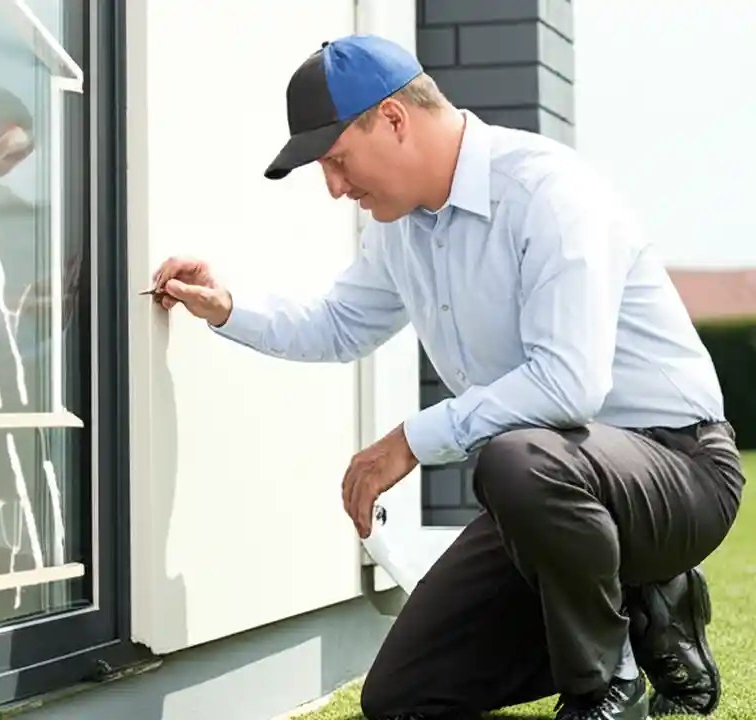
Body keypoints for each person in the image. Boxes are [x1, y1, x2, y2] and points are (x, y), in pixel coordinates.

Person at [150, 34, 744, 720]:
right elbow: (339, 325)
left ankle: (604, 684)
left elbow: (568, 385)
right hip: (554, 489)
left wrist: (408, 439)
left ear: (395, 120)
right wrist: (225, 307)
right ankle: (647, 608)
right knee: (402, 697)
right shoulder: (400, 229)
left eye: (337, 160)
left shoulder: (549, 192)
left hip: (679, 469)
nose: (336, 188)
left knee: (516, 459)